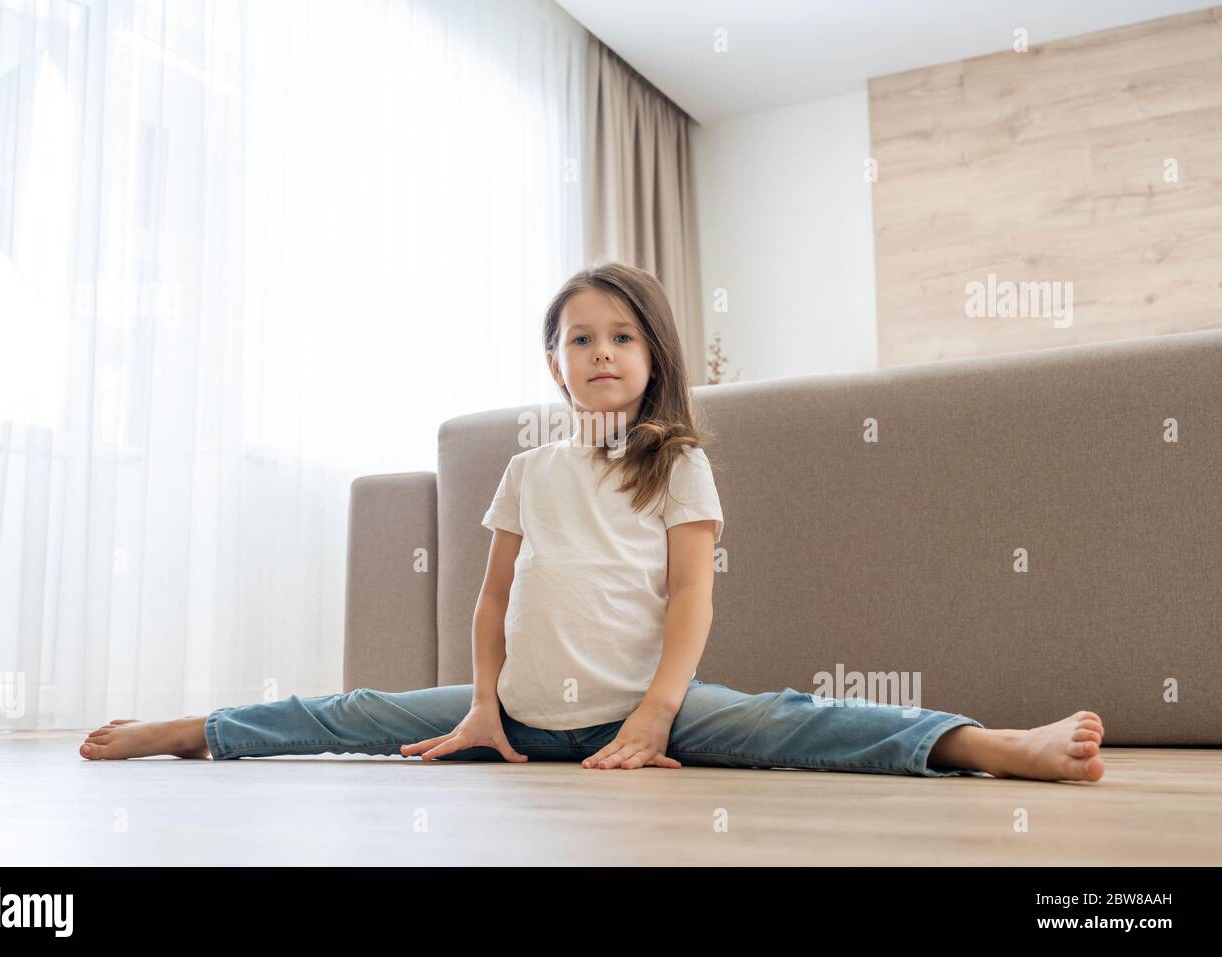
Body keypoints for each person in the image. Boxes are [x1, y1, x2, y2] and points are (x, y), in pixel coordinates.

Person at [79, 262, 1105, 782]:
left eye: (620, 336)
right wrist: (481, 710)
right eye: (578, 338)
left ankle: (989, 747)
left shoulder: (677, 464)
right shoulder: (527, 467)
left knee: (797, 720)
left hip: (639, 707)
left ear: (652, 354)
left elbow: (693, 594)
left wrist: (658, 713)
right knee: (356, 712)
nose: (600, 351)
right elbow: (491, 600)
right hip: (519, 714)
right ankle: (196, 729)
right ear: (553, 362)